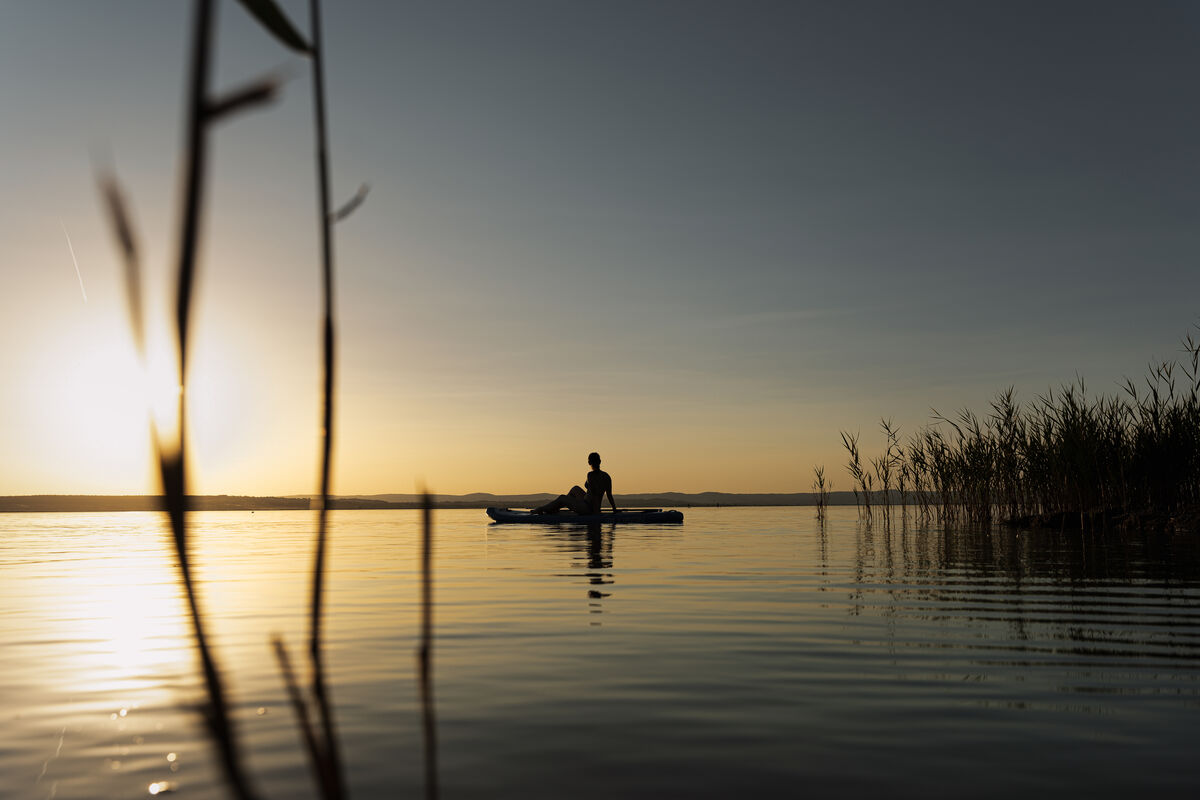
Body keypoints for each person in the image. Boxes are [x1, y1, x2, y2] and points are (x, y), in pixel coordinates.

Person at [533, 452, 618, 515]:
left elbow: (594, 493)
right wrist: (614, 509)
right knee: (575, 488)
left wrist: (595, 513)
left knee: (562, 498)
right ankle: (555, 508)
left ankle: (542, 509)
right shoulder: (607, 476)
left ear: (589, 463)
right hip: (589, 503)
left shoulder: (590, 475)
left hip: (587, 507)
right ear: (600, 461)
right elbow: (609, 495)